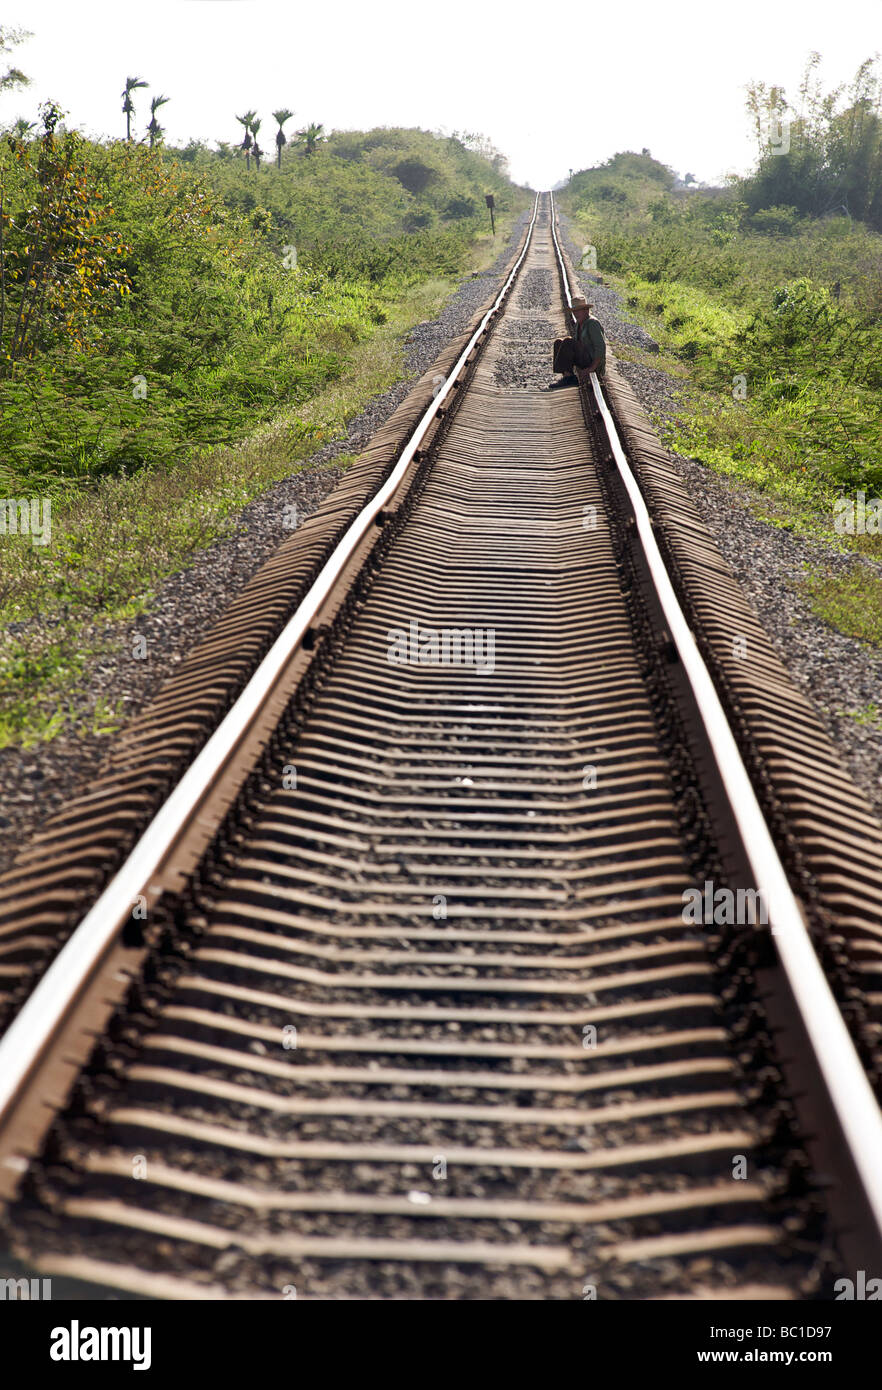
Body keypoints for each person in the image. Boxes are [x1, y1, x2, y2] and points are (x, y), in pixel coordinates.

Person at [549, 299, 606, 388]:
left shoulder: (592, 324)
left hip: (592, 361)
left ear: (586, 310)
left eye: (578, 311)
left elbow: (601, 347)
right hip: (583, 358)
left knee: (568, 341)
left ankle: (569, 378)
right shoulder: (579, 324)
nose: (576, 314)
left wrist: (591, 368)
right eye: (574, 311)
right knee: (559, 343)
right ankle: (567, 376)